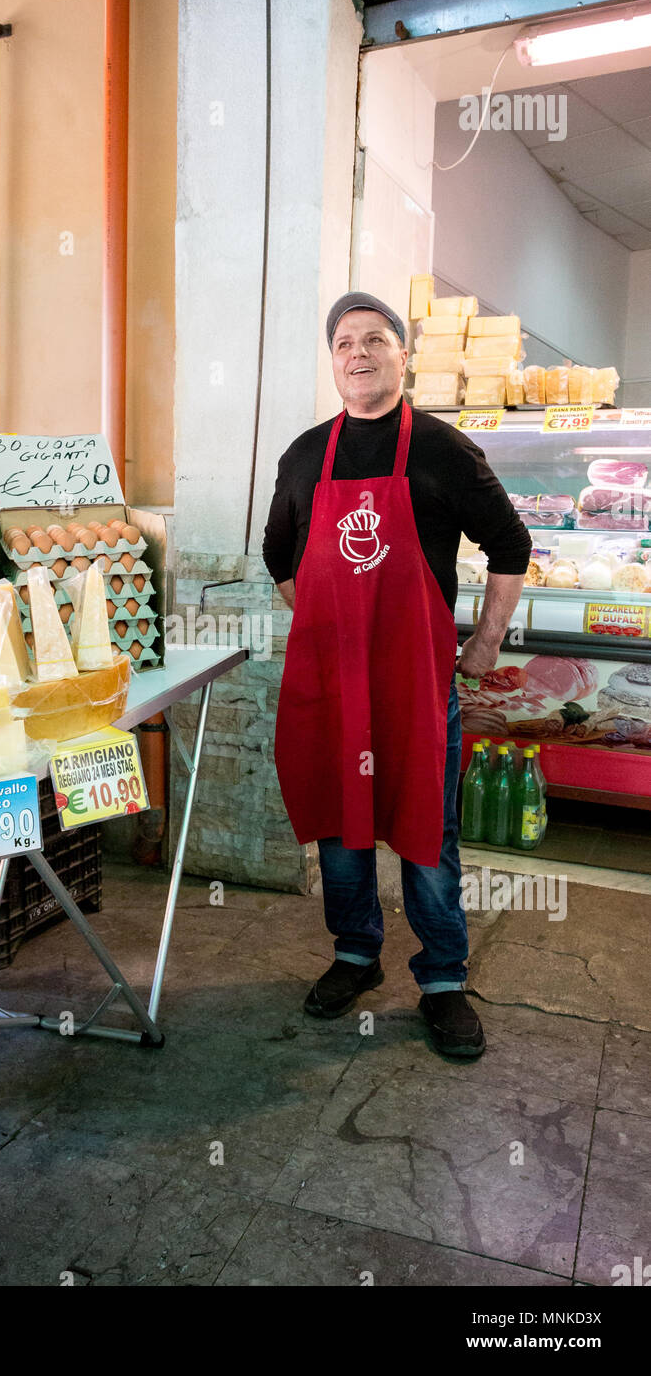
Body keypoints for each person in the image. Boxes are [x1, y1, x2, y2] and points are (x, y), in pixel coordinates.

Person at [262, 291, 531, 1058]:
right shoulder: (305, 455)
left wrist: (481, 647)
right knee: (344, 827)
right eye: (345, 341)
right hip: (335, 683)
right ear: (334, 359)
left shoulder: (446, 452)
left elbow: (511, 546)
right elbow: (279, 555)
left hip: (417, 685)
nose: (359, 352)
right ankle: (355, 955)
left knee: (424, 830)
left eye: (376, 338)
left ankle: (443, 977)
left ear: (401, 355)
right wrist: (327, 622)